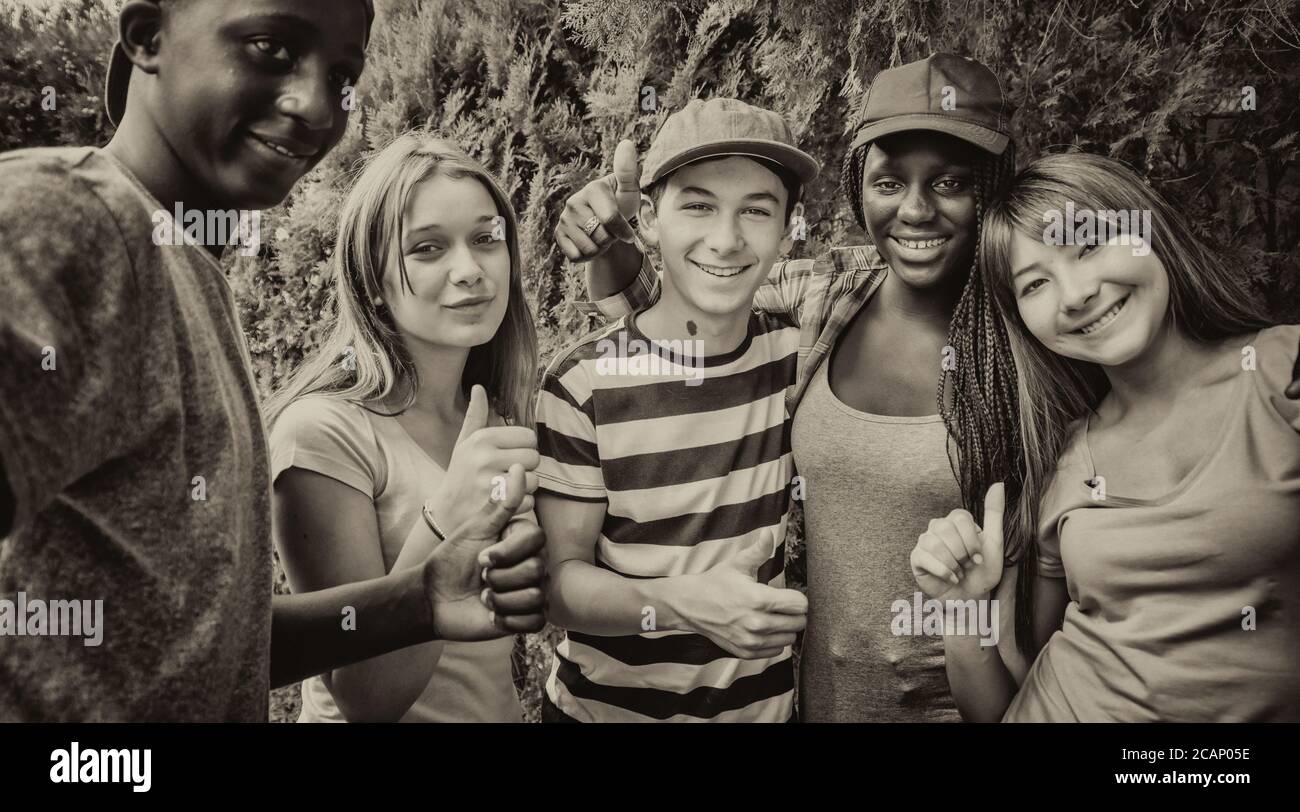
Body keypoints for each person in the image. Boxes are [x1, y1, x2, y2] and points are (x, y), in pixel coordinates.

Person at [0, 0, 544, 721]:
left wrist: (418, 599)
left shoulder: (190, 274)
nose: (316, 105)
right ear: (146, 38)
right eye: (270, 47)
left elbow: (218, 640)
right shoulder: (70, 220)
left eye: (342, 75)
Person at [558, 55, 1018, 721]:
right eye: (889, 181)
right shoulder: (825, 295)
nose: (916, 210)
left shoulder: (1029, 334)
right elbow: (689, 310)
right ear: (861, 187)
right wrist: (611, 244)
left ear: (991, 186)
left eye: (951, 181)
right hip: (810, 705)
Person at [909, 152, 1300, 721]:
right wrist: (962, 609)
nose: (1074, 294)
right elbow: (993, 710)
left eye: (1089, 245)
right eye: (1035, 283)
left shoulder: (1278, 372)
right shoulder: (1060, 463)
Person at [536, 98, 813, 722]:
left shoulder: (798, 350)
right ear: (651, 219)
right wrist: (681, 604)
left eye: (757, 210)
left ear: (789, 226)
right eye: (698, 205)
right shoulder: (583, 382)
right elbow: (560, 586)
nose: (726, 238)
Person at [266, 134, 540, 722]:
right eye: (428, 248)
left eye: (486, 239)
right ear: (372, 282)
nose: (469, 270)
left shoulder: (499, 414)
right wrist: (447, 515)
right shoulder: (322, 434)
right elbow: (365, 697)